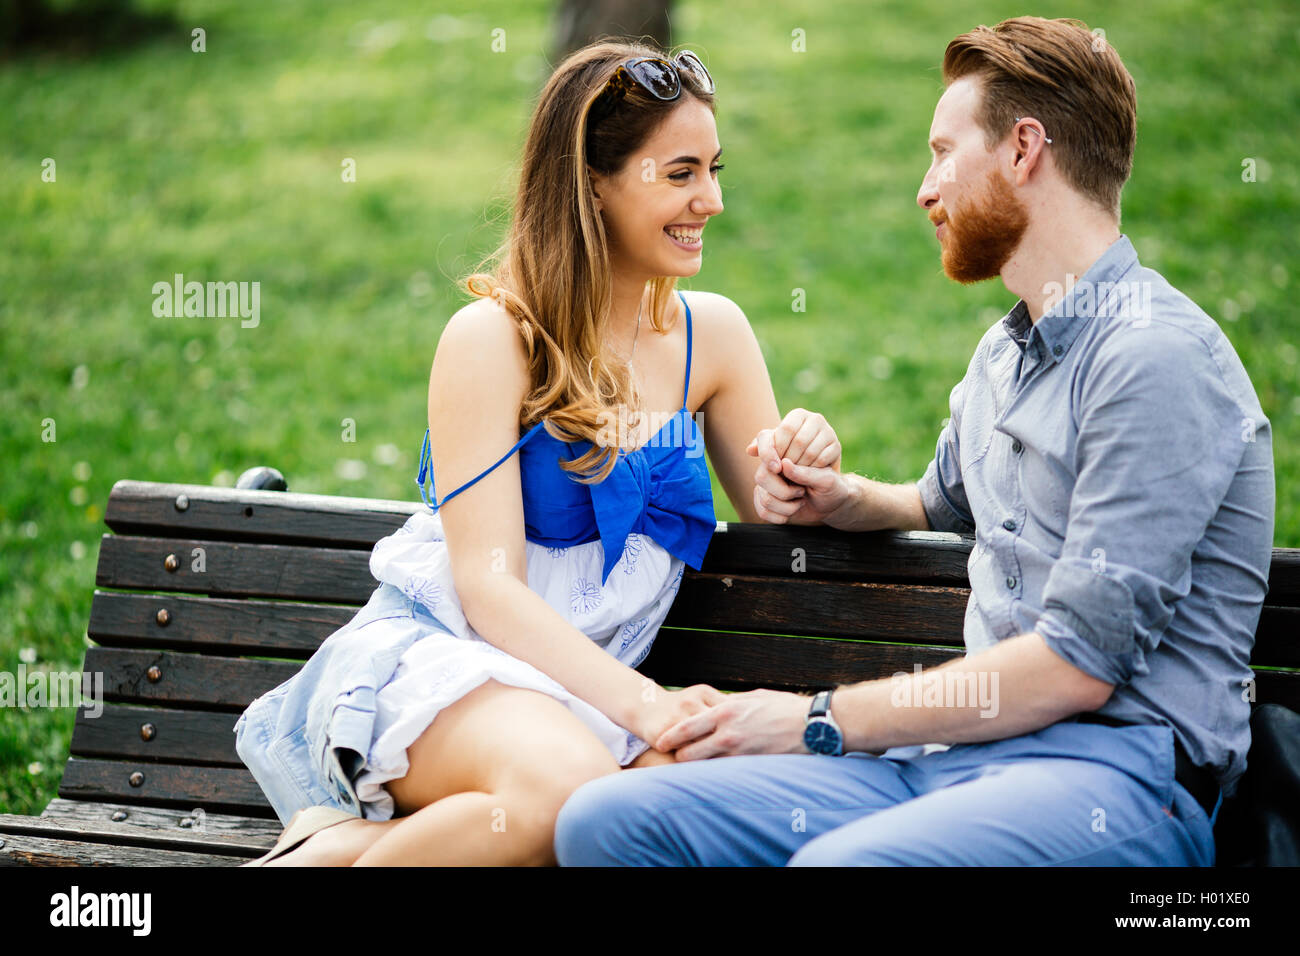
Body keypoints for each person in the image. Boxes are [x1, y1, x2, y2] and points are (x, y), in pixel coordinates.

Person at [554, 16, 1275, 867]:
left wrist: (817, 717)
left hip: (1114, 778)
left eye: (942, 151)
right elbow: (939, 500)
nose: (924, 188)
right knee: (606, 822)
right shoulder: (1008, 352)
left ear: (1023, 150)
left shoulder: (1152, 359)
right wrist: (840, 496)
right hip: (954, 762)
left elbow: (1078, 667)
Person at [233, 39, 840, 866]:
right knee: (571, 795)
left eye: (715, 169)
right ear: (592, 182)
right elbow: (486, 587)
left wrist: (809, 457)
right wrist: (645, 705)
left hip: (587, 706)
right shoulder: (493, 339)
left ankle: (346, 848)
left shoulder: (715, 339)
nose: (713, 200)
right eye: (681, 173)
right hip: (451, 662)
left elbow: (778, 509)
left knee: (667, 807)